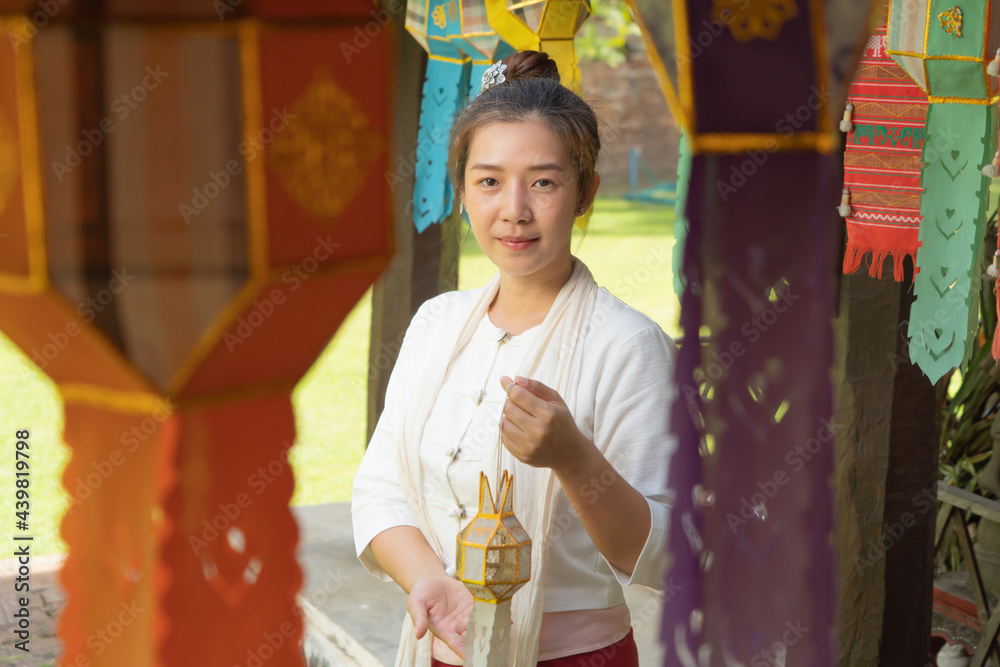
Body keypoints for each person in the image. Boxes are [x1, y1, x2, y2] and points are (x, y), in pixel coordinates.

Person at [351, 50, 678, 667]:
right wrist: (426, 579)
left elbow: (668, 557)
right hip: (440, 647)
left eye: (545, 182)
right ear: (464, 192)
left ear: (586, 194)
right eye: (490, 180)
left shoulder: (627, 345)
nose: (515, 210)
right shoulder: (436, 323)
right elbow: (380, 489)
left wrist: (574, 460)